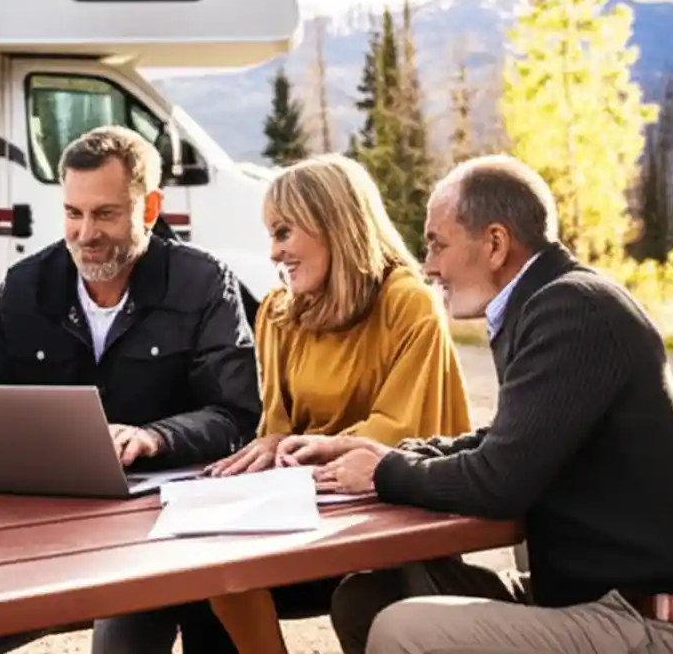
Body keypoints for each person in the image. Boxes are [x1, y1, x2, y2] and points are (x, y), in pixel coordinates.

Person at [281, 154, 673, 653]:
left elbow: (501, 481)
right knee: (367, 600)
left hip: (655, 623)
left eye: (437, 243)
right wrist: (376, 454)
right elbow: (506, 441)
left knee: (403, 630)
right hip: (586, 603)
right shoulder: (543, 304)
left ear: (496, 243)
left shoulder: (574, 309)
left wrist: (385, 472)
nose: (428, 265)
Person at [0, 125, 260, 654]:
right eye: (73, 213)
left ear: (150, 208)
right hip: (45, 522)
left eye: (105, 214)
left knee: (156, 630)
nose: (86, 233)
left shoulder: (203, 283)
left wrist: (153, 438)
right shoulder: (24, 286)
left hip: (166, 524)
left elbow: (234, 416)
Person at [152, 153, 474, 653]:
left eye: (284, 233)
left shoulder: (407, 302)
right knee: (206, 572)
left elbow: (404, 430)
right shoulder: (281, 313)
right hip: (309, 502)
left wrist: (309, 451)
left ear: (334, 226)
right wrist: (269, 447)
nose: (275, 253)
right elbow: (277, 426)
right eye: (271, 237)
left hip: (390, 509)